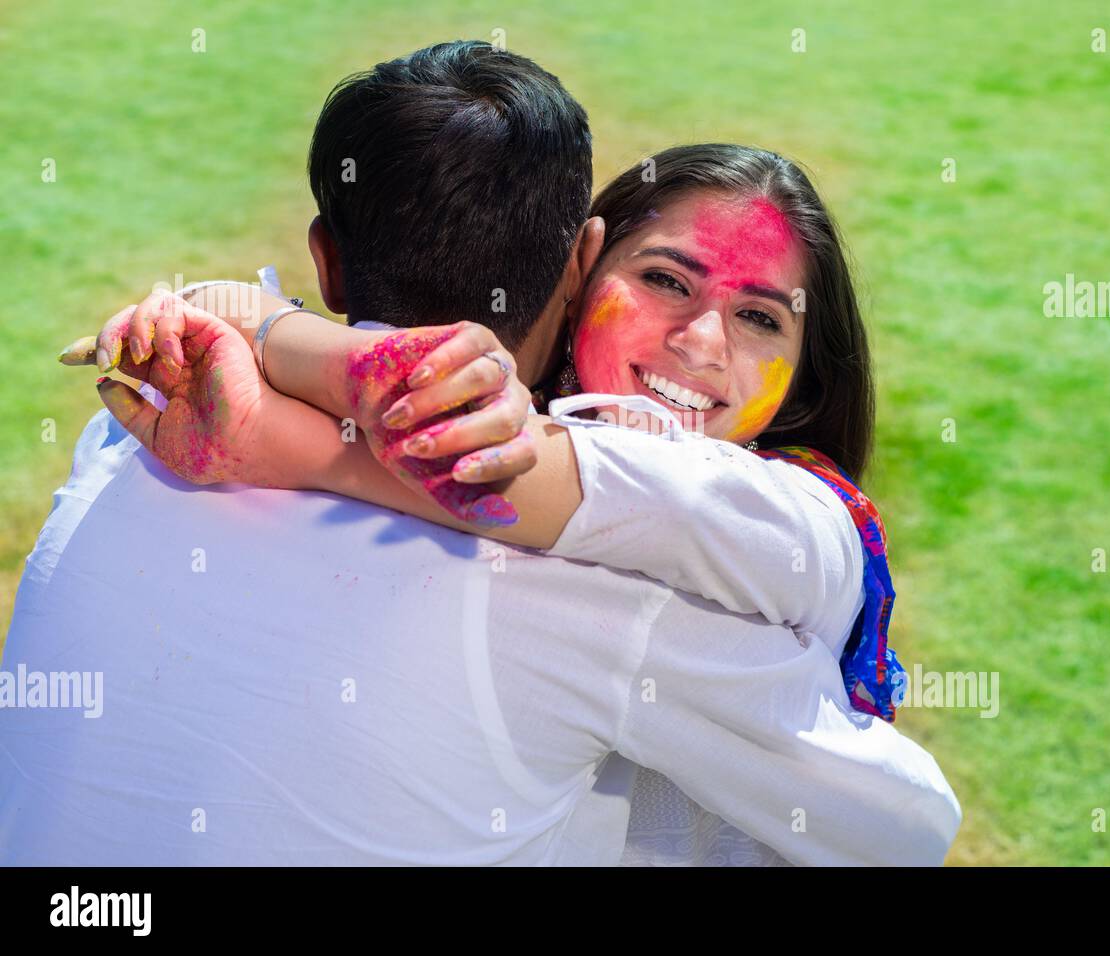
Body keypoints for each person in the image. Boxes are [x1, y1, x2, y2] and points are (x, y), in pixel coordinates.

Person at [2, 41, 959, 865]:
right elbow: (904, 825)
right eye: (666, 279)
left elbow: (633, 496)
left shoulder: (126, 434)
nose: (705, 343)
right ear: (583, 265)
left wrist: (297, 393)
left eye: (758, 316)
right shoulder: (609, 602)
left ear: (324, 259)